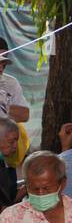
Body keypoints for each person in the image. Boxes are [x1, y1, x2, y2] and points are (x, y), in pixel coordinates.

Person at [0, 38, 31, 171]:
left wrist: (3, 103)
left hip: (6, 155)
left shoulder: (10, 83)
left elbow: (24, 115)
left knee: (7, 187)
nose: (1, 67)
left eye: (4, 60)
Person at [0, 118, 21, 210]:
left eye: (17, 141)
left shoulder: (5, 164)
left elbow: (9, 199)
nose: (16, 146)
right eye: (11, 142)